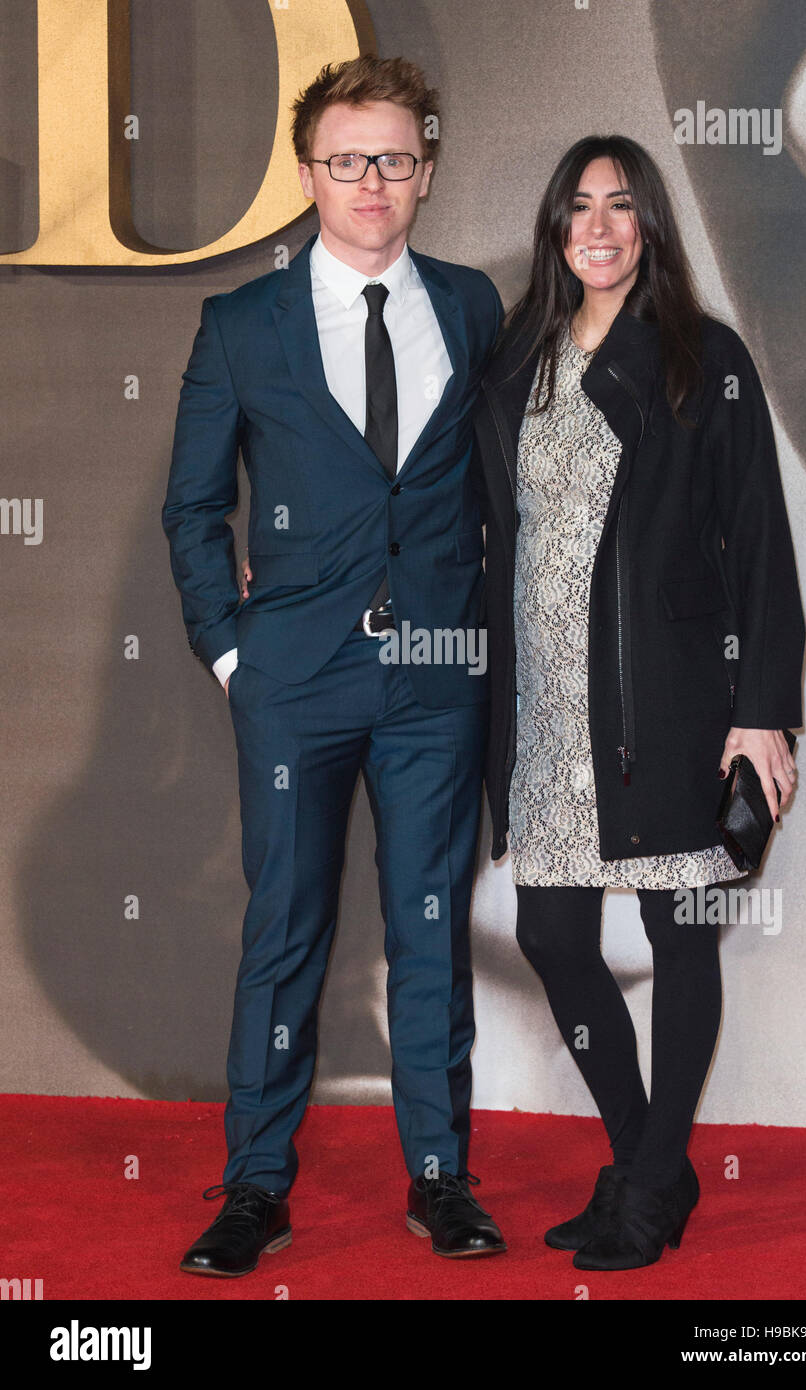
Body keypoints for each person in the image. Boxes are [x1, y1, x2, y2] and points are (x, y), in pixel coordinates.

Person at [162, 55, 506, 1276]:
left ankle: (438, 1179)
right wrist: (230, 657)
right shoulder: (240, 324)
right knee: (285, 932)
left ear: (425, 168)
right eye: (345, 159)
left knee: (428, 933)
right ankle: (255, 1185)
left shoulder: (470, 306)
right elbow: (193, 509)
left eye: (395, 157)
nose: (371, 180)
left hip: (431, 682)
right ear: (308, 173)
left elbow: (495, 495)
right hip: (293, 684)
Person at [472, 134, 805, 1270]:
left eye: (620, 206)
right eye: (577, 207)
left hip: (668, 699)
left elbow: (757, 540)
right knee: (554, 933)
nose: (598, 227)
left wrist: (760, 710)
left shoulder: (697, 357)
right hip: (548, 708)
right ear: (554, 230)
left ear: (650, 225)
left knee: (679, 931)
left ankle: (651, 1183)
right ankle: (648, 1161)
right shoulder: (520, 360)